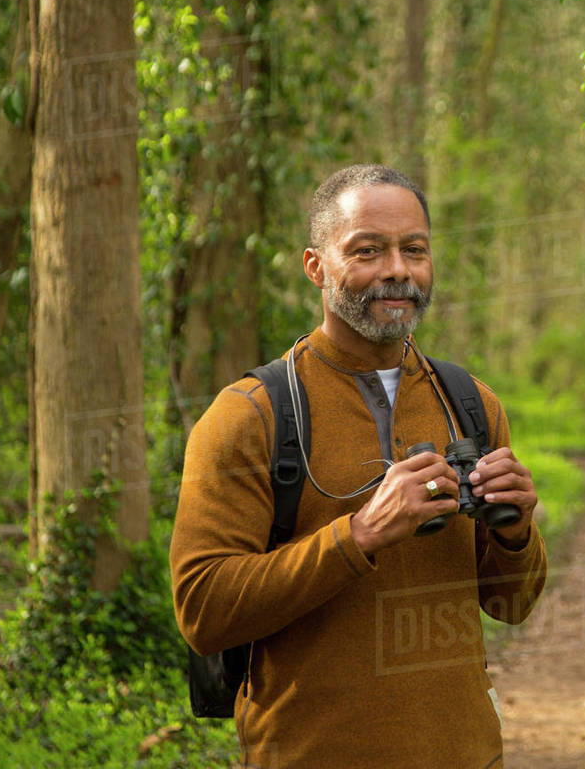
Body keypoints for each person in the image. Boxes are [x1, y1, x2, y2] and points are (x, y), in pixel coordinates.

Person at [170, 163, 548, 768]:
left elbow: (512, 604)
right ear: (316, 266)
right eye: (368, 250)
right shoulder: (250, 415)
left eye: (413, 250)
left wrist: (516, 532)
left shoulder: (470, 403)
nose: (397, 269)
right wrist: (360, 534)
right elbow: (204, 611)